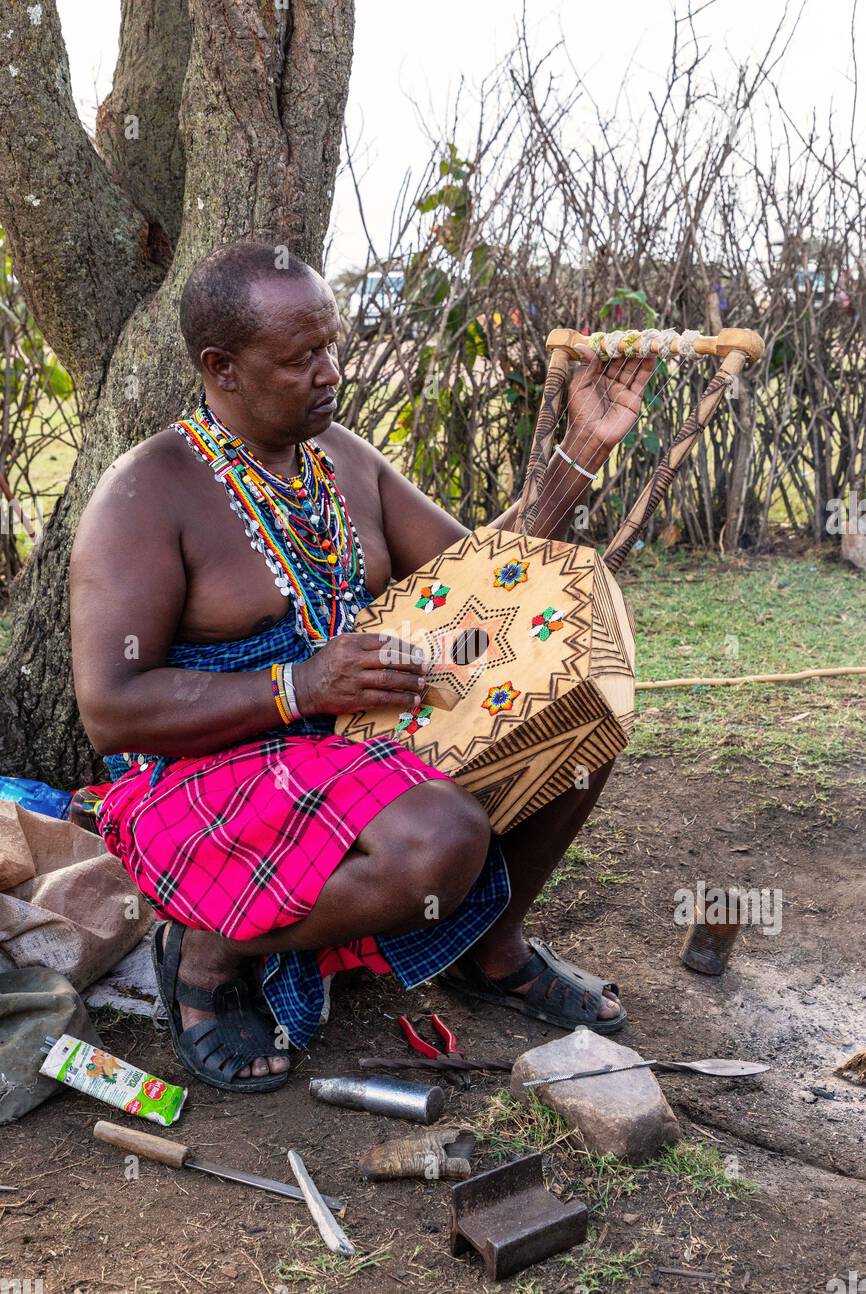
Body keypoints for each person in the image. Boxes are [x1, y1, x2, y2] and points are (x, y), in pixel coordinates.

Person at [70, 241, 655, 1092]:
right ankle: (206, 949)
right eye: (302, 358)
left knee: (579, 725)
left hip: (359, 731)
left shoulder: (341, 458)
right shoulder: (146, 494)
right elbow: (112, 710)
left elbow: (474, 577)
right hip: (206, 770)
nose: (330, 371)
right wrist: (300, 685)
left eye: (332, 346)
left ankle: (491, 949)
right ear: (221, 368)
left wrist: (577, 454)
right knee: (437, 838)